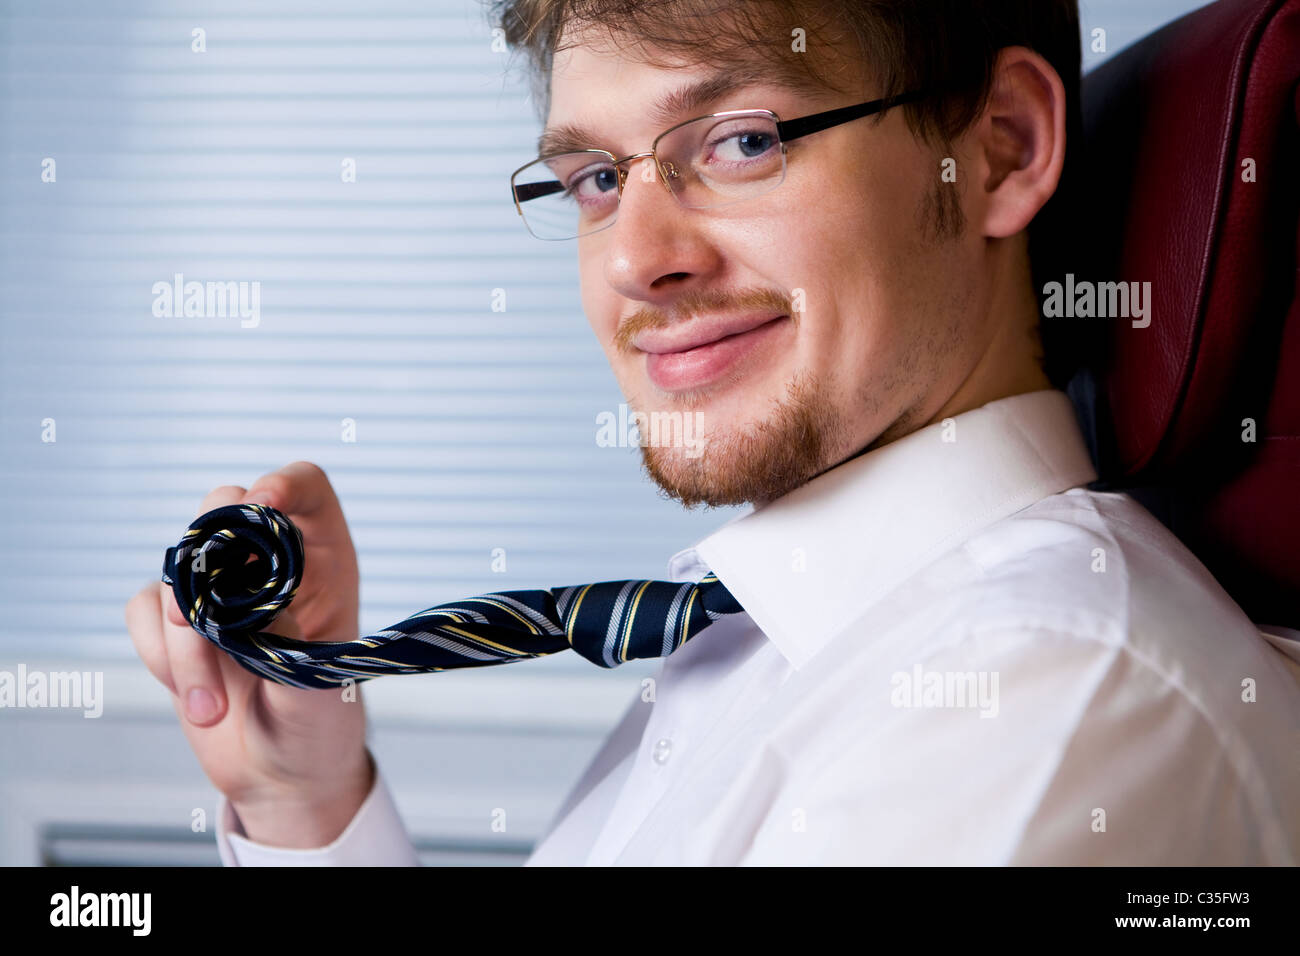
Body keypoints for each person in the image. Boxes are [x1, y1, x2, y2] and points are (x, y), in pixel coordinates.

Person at [124, 0, 1300, 865]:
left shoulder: (1045, 688)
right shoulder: (762, 636)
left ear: (1000, 146)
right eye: (592, 177)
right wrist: (304, 806)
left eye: (740, 141)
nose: (637, 260)